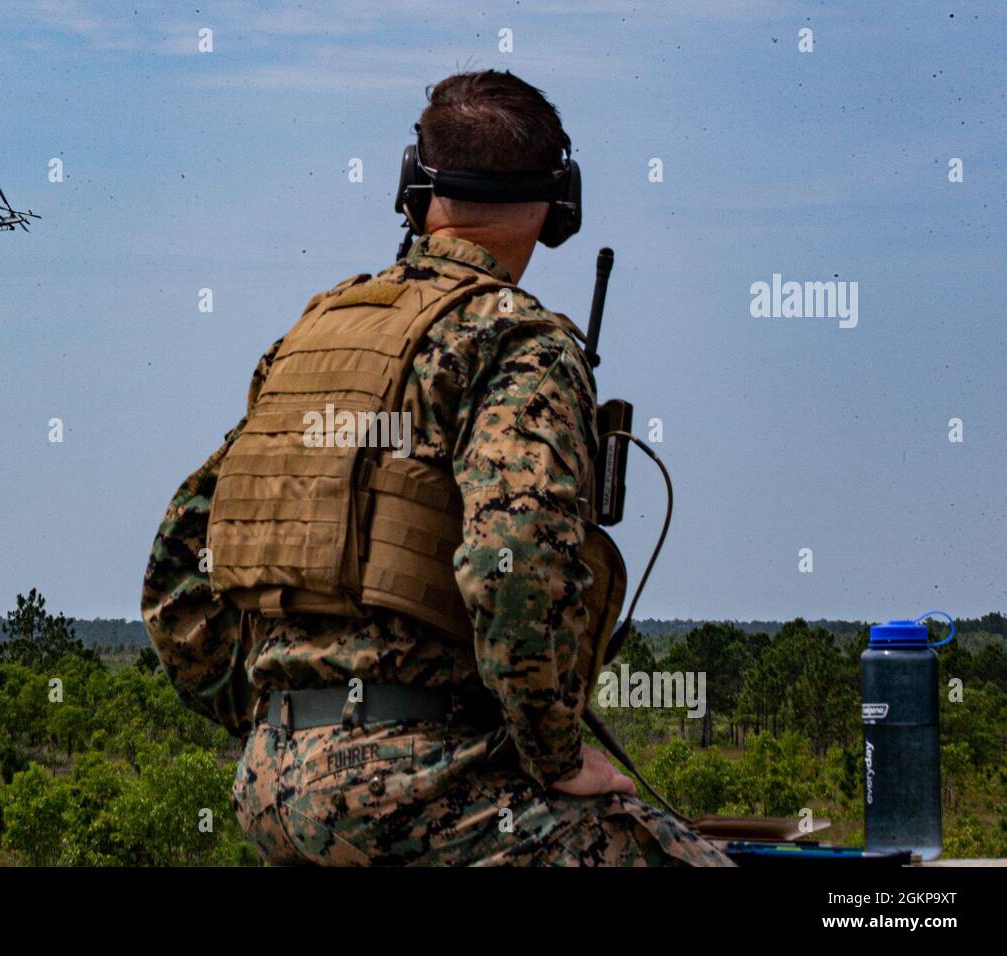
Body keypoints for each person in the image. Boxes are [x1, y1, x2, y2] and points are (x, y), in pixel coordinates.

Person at [142, 70, 732, 866]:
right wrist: (555, 755)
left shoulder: (312, 339)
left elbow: (180, 572)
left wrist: (287, 727)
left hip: (270, 785)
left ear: (412, 188)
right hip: (422, 788)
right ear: (562, 204)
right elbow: (514, 561)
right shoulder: (520, 342)